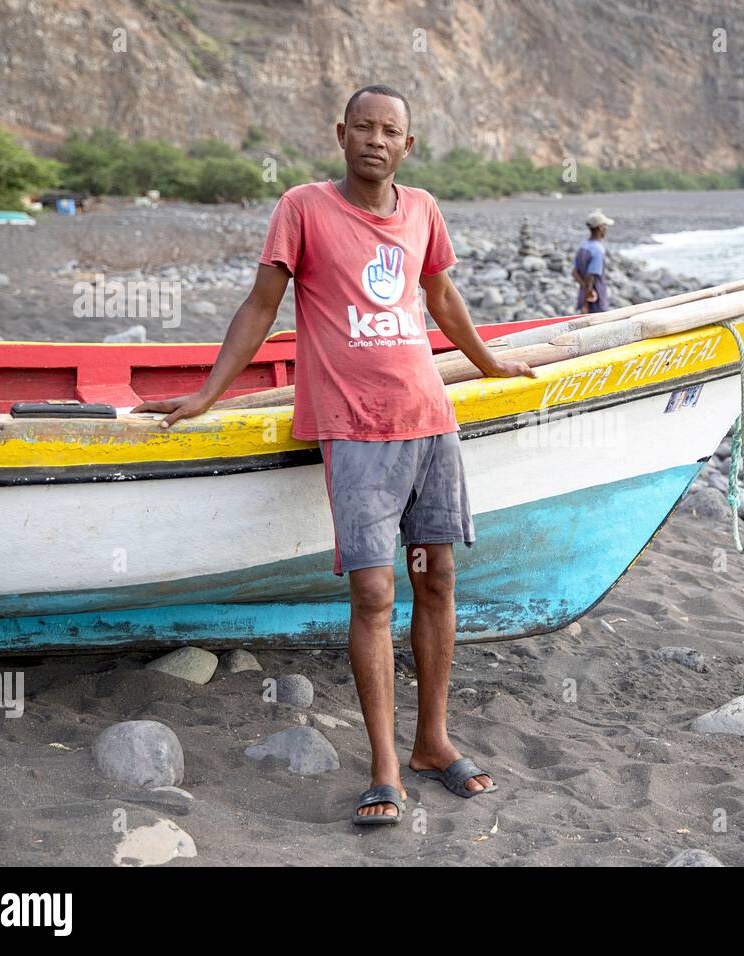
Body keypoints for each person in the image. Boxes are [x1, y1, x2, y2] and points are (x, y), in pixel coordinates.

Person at [134, 84, 535, 827]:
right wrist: (209, 394)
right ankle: (386, 765)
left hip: (427, 420)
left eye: (391, 131)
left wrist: (485, 362)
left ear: (407, 146)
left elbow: (441, 299)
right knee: (375, 593)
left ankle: (433, 743)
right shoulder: (303, 207)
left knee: (438, 575)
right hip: (354, 429)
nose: (376, 140)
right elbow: (261, 304)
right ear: (341, 133)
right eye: (364, 127)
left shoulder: (422, 209)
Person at [572, 209, 613, 313]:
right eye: (605, 226)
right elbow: (590, 278)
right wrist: (586, 304)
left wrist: (583, 286)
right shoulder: (598, 250)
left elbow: (574, 272)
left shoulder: (583, 245)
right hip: (595, 302)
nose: (606, 229)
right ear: (600, 228)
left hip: (583, 296)